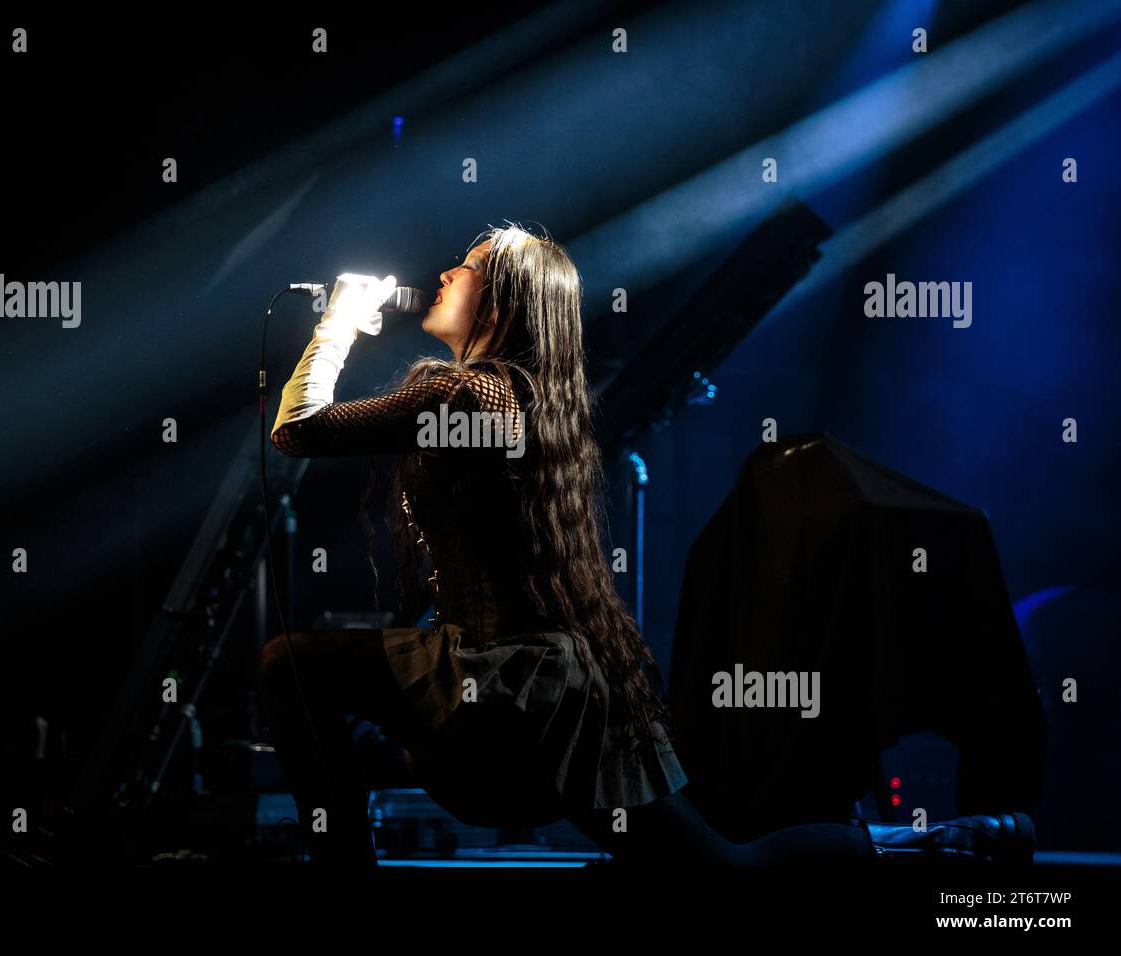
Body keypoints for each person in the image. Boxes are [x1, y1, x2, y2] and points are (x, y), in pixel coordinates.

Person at [258, 222, 1035, 868]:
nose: (442, 274)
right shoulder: (530, 397)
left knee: (289, 665)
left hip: (502, 690)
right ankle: (907, 848)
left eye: (463, 270)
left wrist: (336, 322)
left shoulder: (458, 390)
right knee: (730, 869)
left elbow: (295, 432)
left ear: (501, 300)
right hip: (556, 690)